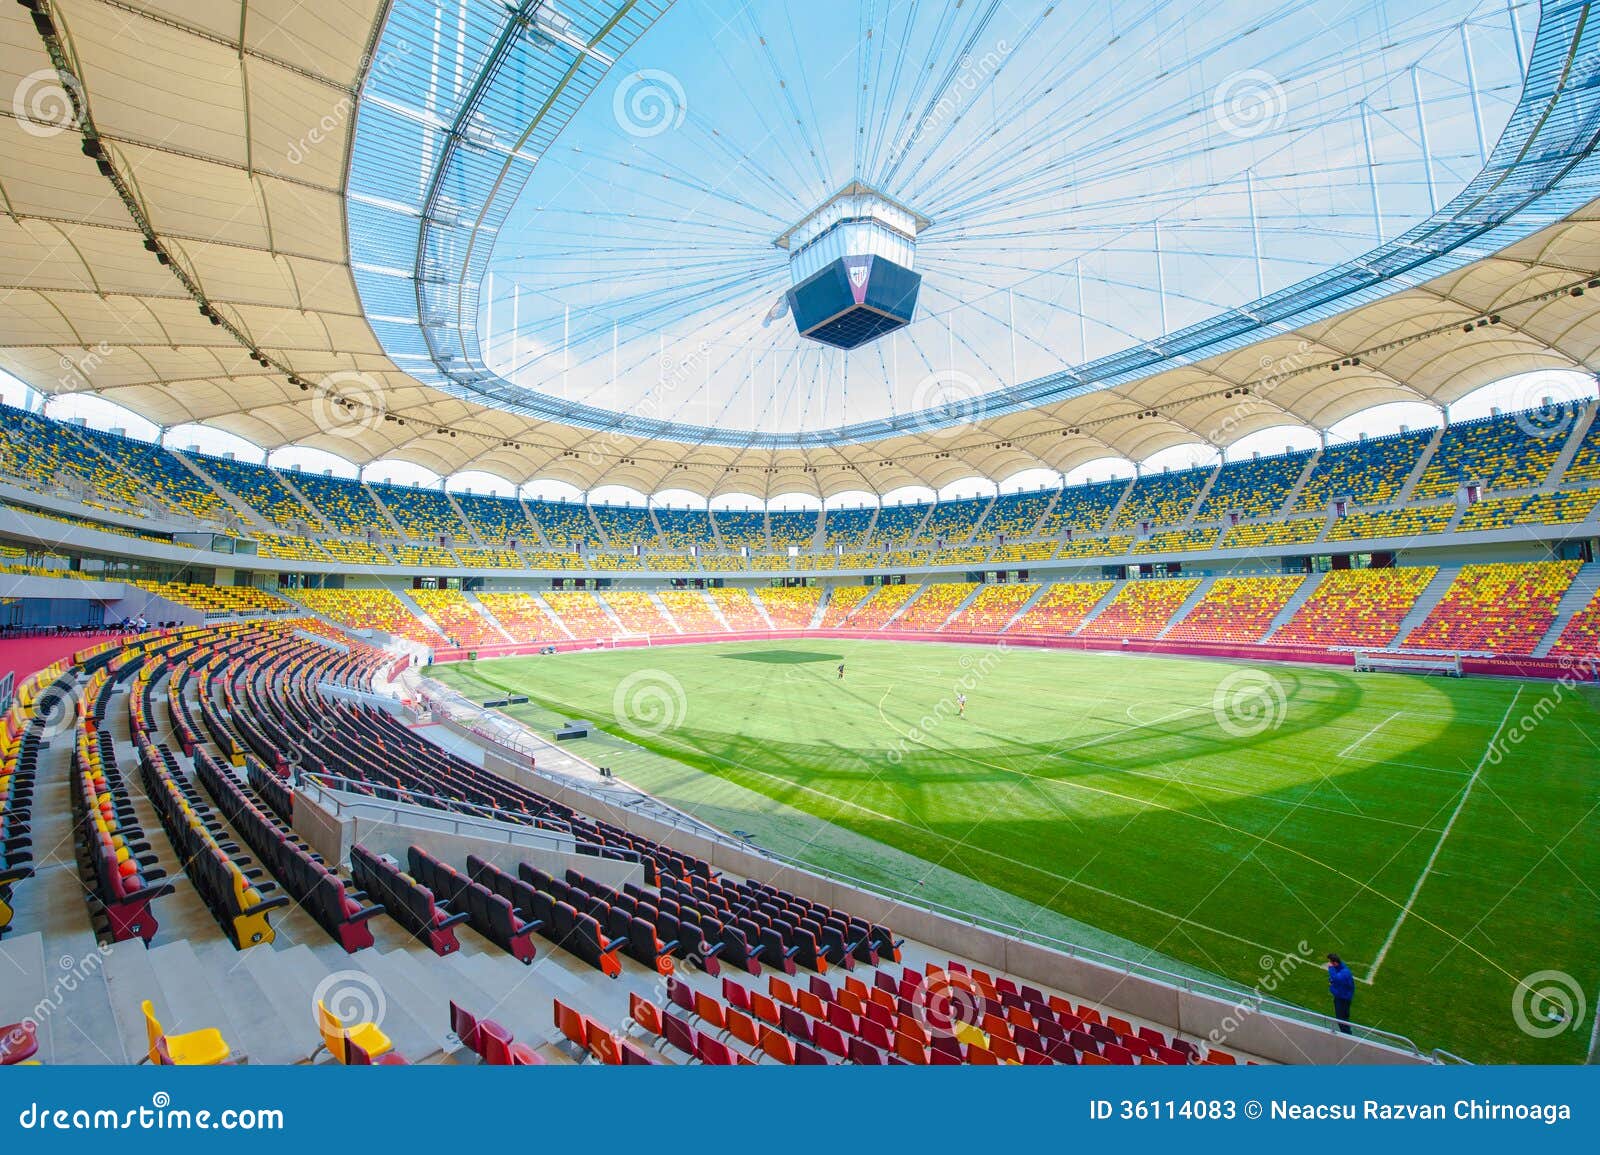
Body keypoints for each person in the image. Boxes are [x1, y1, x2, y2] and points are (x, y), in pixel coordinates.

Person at [1326, 952, 1355, 1034]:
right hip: (1342, 996)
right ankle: (1347, 1034)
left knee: (1341, 1018)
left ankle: (1347, 1035)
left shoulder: (1345, 972)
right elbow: (1336, 979)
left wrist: (1331, 969)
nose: (1329, 964)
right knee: (1343, 1018)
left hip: (1343, 999)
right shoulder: (1341, 968)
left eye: (1330, 962)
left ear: (1335, 963)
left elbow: (1336, 979)